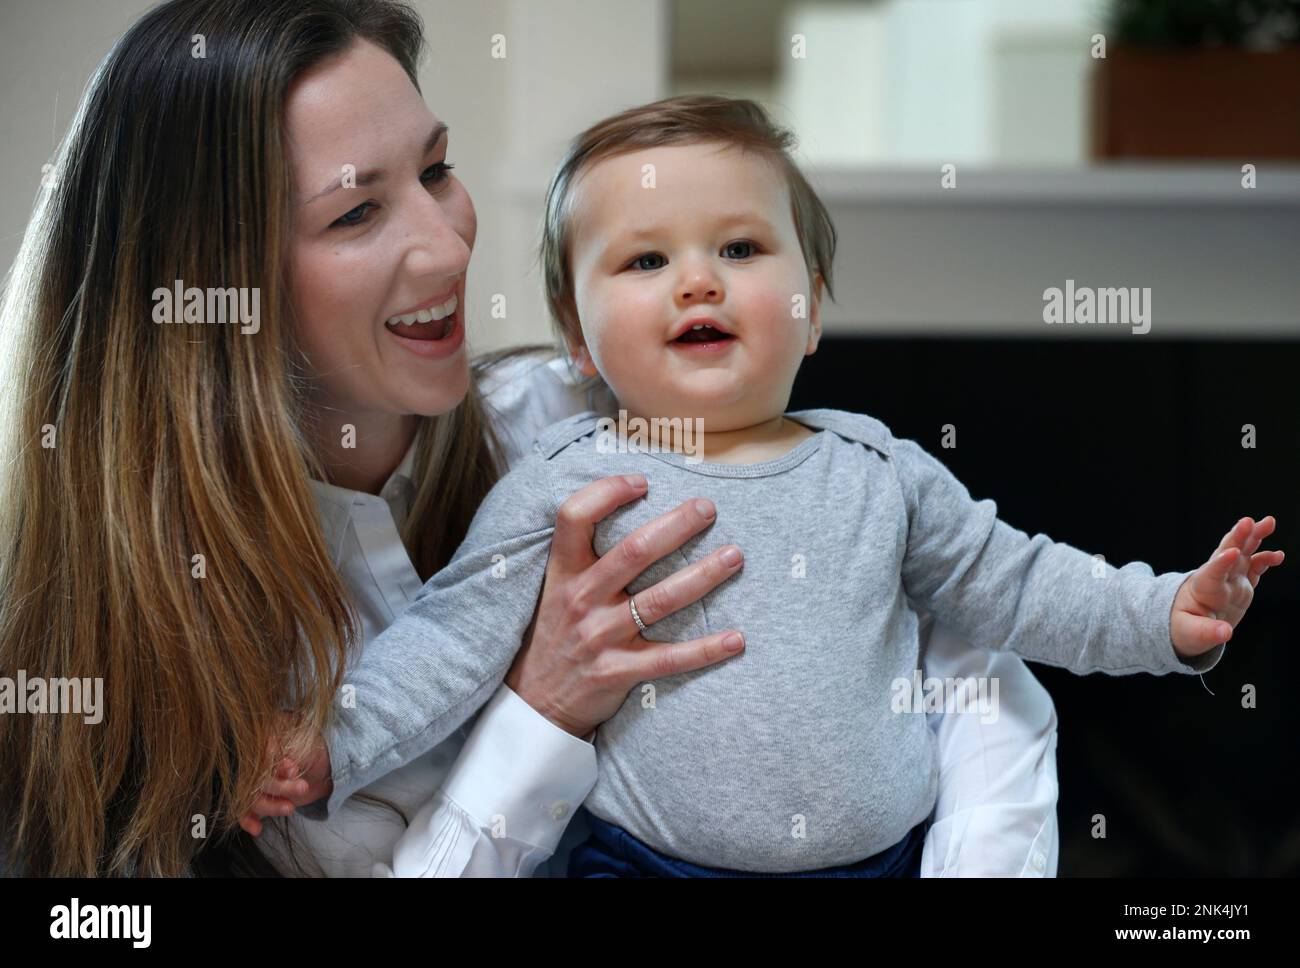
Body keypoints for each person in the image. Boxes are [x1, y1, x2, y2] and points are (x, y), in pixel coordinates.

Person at [0, 0, 1060, 878]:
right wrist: (538, 709)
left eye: (437, 169)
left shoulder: (593, 416)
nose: (446, 239)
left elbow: (947, 628)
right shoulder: (170, 639)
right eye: (356, 215)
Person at [260, 94, 1282, 877]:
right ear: (576, 336)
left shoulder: (881, 468)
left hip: (885, 858)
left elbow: (1020, 583)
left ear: (813, 306)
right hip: (640, 864)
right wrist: (330, 739)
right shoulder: (566, 482)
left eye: (739, 248)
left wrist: (1166, 610)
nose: (697, 280)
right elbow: (447, 636)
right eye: (646, 259)